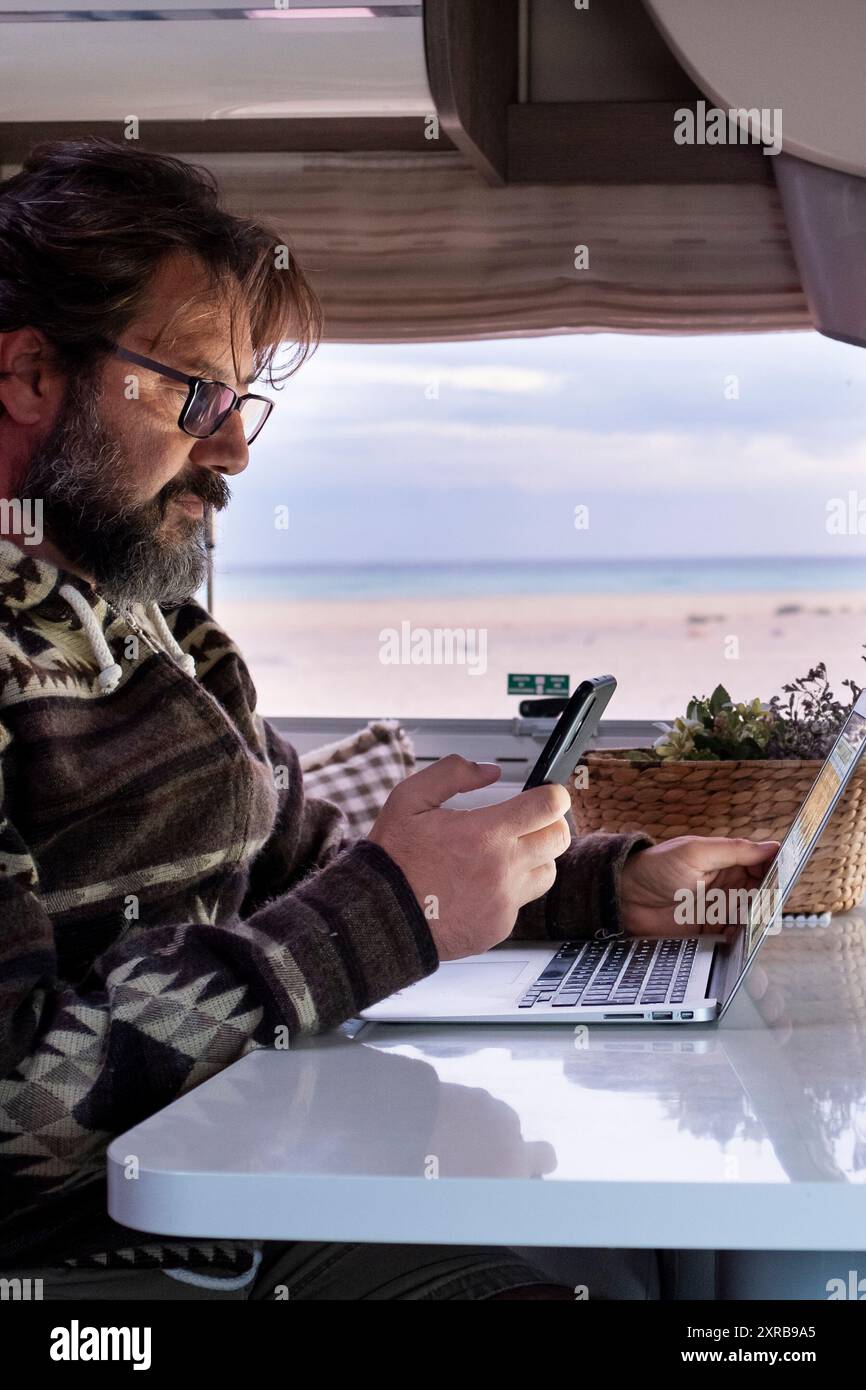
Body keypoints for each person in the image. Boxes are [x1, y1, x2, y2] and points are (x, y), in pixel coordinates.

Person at [0, 139, 776, 1301]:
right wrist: (389, 908)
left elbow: (289, 861)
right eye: (195, 393)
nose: (235, 450)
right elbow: (18, 1110)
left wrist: (608, 887)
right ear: (28, 374)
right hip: (98, 1253)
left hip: (235, 1172)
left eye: (242, 399)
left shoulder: (152, 624)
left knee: (668, 1260)